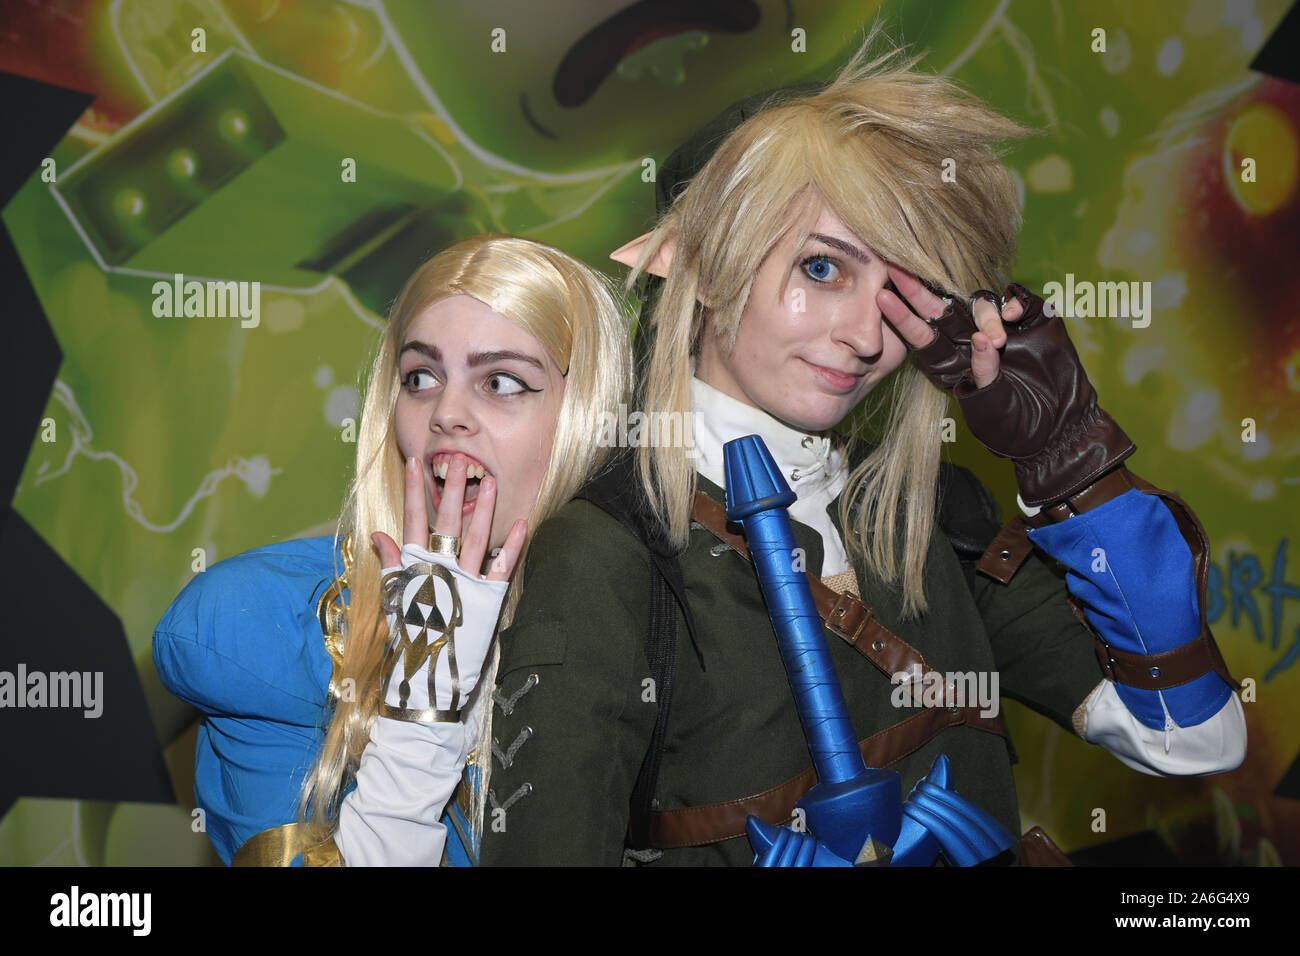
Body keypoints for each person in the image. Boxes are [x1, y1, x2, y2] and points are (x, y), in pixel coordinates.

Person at [477, 34, 1247, 866]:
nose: (864, 333)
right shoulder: (604, 550)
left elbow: (1193, 741)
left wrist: (1072, 459)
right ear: (698, 264)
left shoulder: (930, 515)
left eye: (902, 287)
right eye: (821, 268)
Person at [153, 234, 630, 865]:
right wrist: (422, 712)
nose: (447, 413)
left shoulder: (655, 618)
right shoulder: (268, 631)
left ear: (589, 413)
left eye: (503, 382)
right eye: (421, 377)